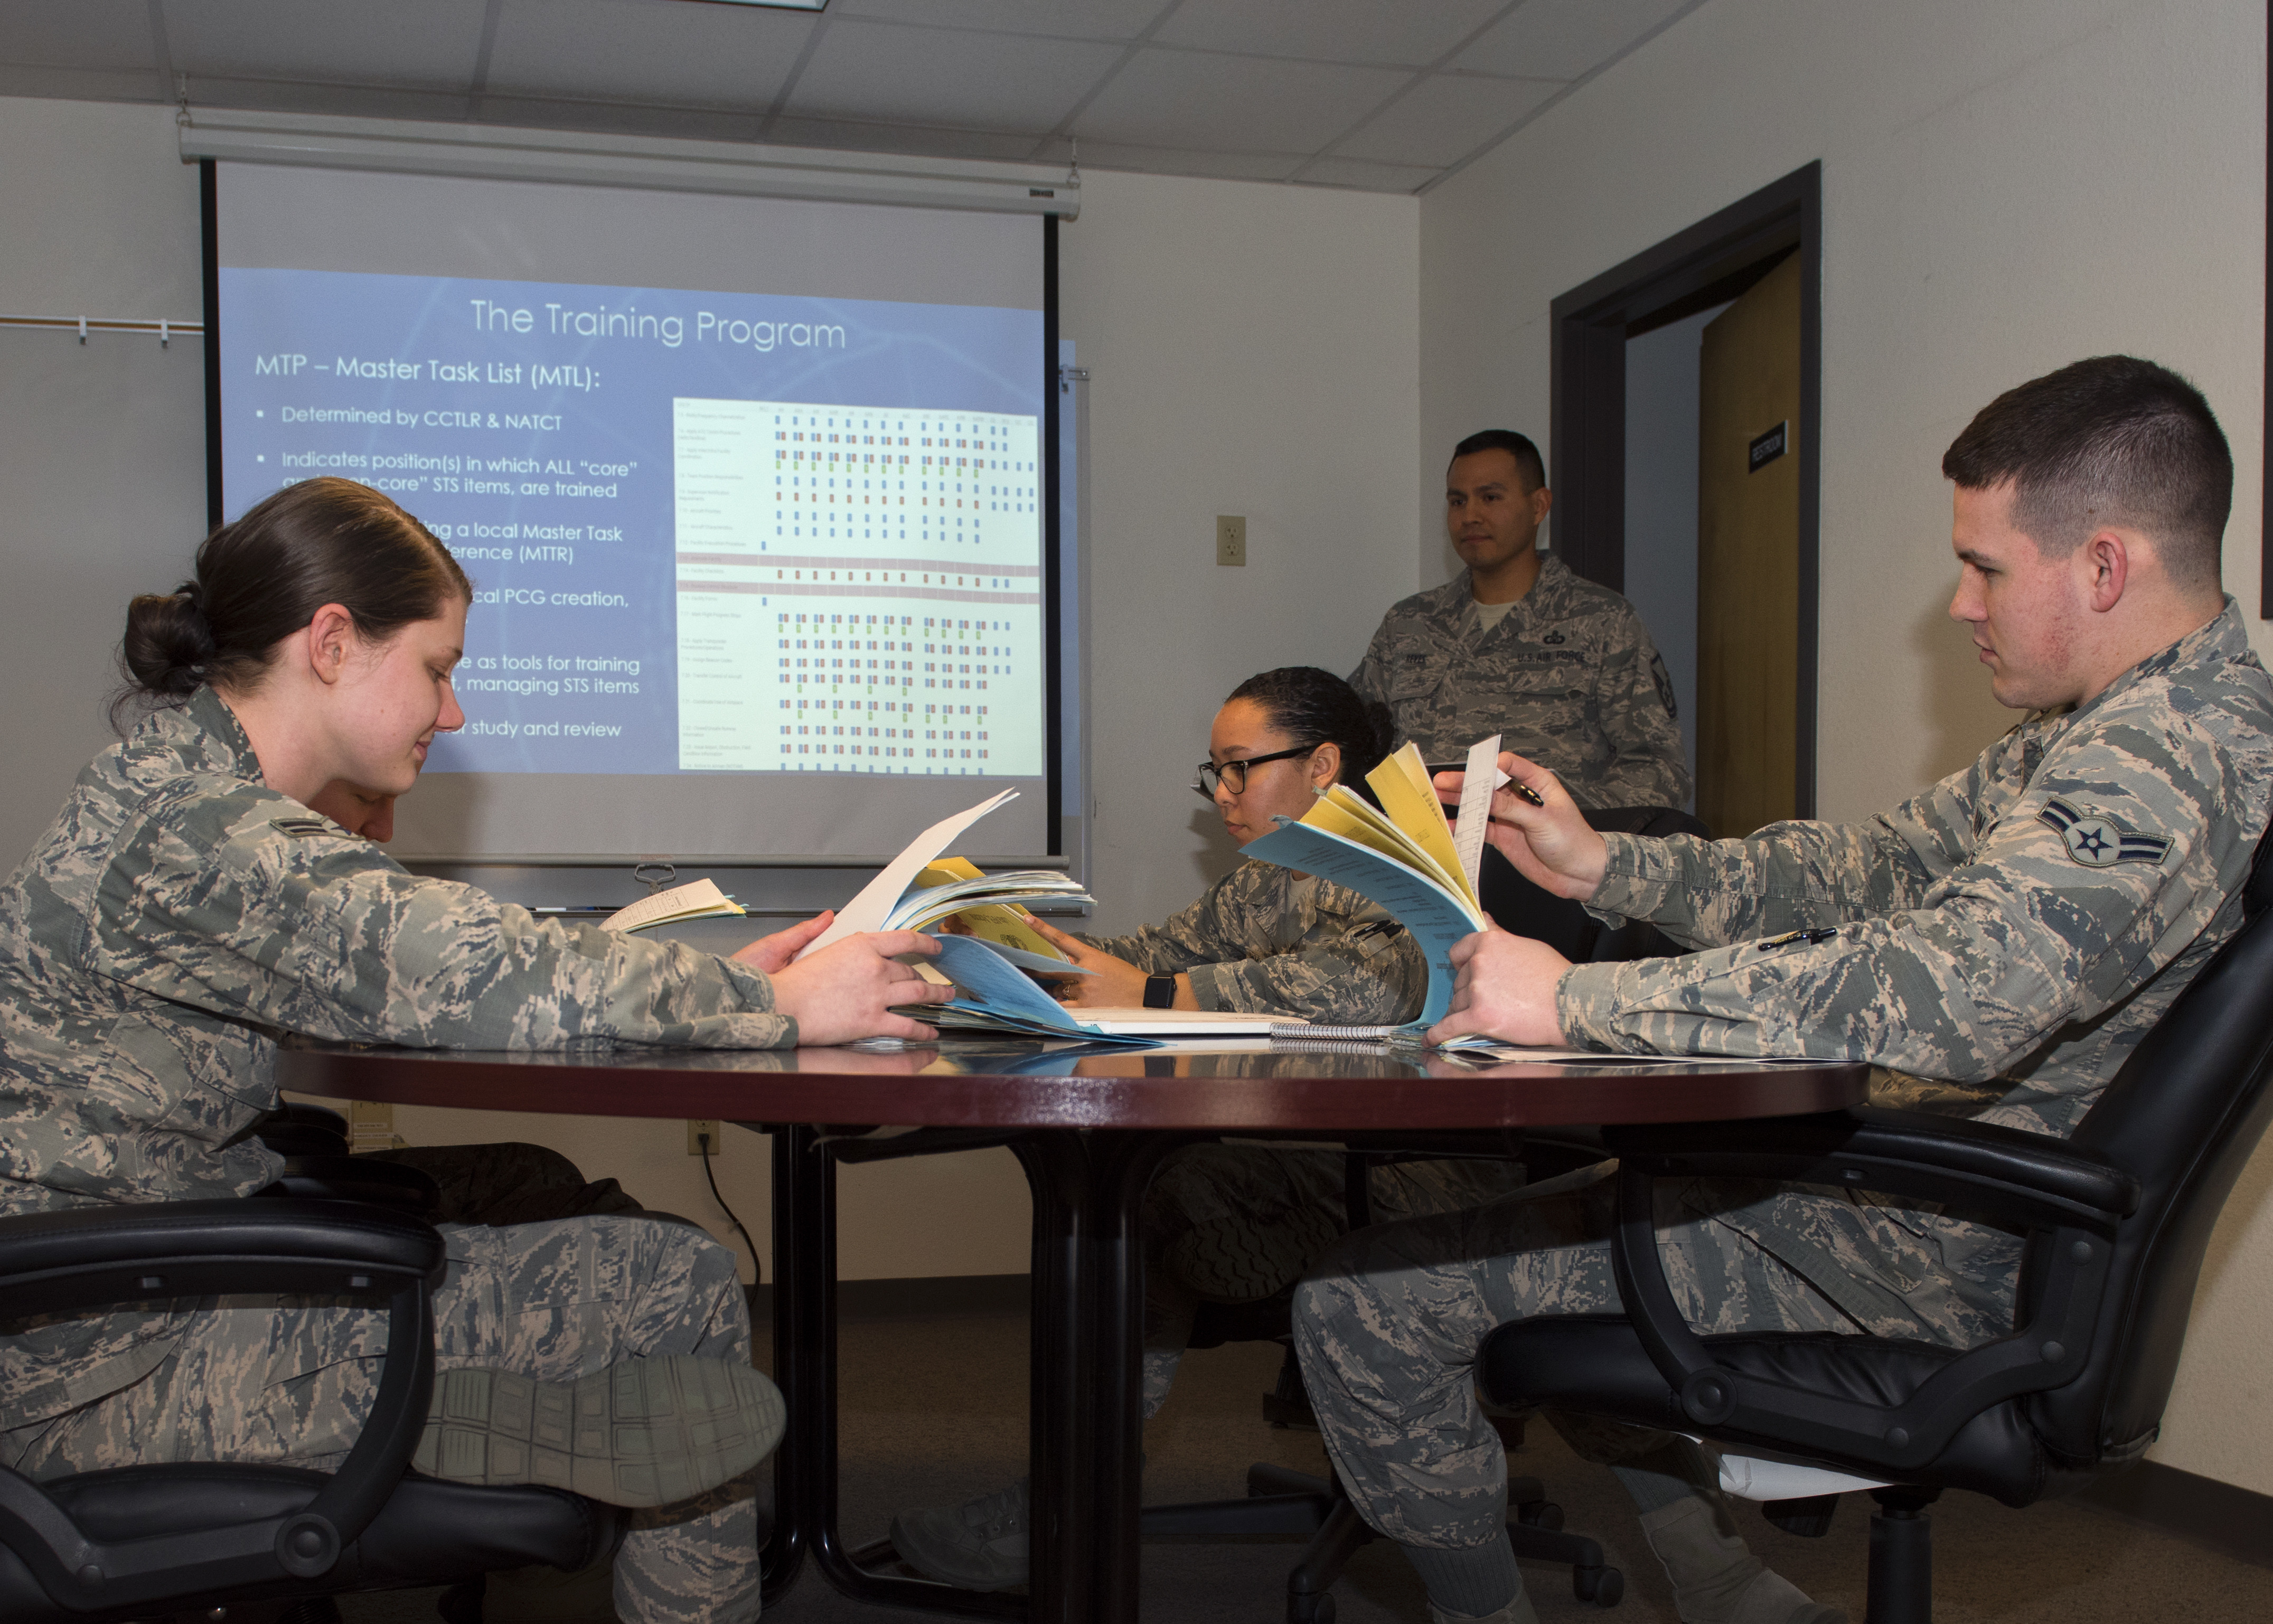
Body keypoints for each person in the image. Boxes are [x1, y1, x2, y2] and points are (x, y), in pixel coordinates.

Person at [1292, 356, 2273, 1624]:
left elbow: (1957, 992)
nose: (1959, 602)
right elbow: (1871, 865)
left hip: (1931, 1248)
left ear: (2100, 567)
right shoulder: (2112, 725)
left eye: (1982, 567)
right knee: (1535, 1241)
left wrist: (1575, 1004)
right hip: (1918, 1200)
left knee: (1358, 1302)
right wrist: (1610, 865)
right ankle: (1718, 1582)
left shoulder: (2160, 755)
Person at [0, 476, 953, 1624]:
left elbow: (429, 967)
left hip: (104, 1316)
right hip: (111, 1373)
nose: (450, 713)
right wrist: (781, 1004)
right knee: (677, 1282)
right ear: (332, 644)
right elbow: (468, 966)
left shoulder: (172, 794)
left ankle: (507, 1423)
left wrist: (729, 993)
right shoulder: (203, 831)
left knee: (575, 1226)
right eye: (437, 668)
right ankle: (500, 1424)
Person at [886, 667, 1526, 1591]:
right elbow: (1154, 956)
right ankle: (1069, 1496)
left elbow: (1368, 985)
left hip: (1429, 1172)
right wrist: (1022, 959)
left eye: (1238, 768)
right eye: (1213, 773)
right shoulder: (1268, 878)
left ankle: (1062, 1507)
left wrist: (1151, 991)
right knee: (1135, 1190)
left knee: (1144, 1202)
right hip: (1321, 1157)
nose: (1221, 794)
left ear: (1322, 765)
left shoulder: (1398, 866)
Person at [1349, 429, 1689, 812]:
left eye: (1490, 498)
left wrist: (1565, 821)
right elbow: (1349, 744)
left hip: (1548, 846)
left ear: (1539, 506)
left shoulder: (1604, 622)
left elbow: (1659, 771)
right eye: (1458, 501)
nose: (1470, 516)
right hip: (1421, 844)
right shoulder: (1408, 625)